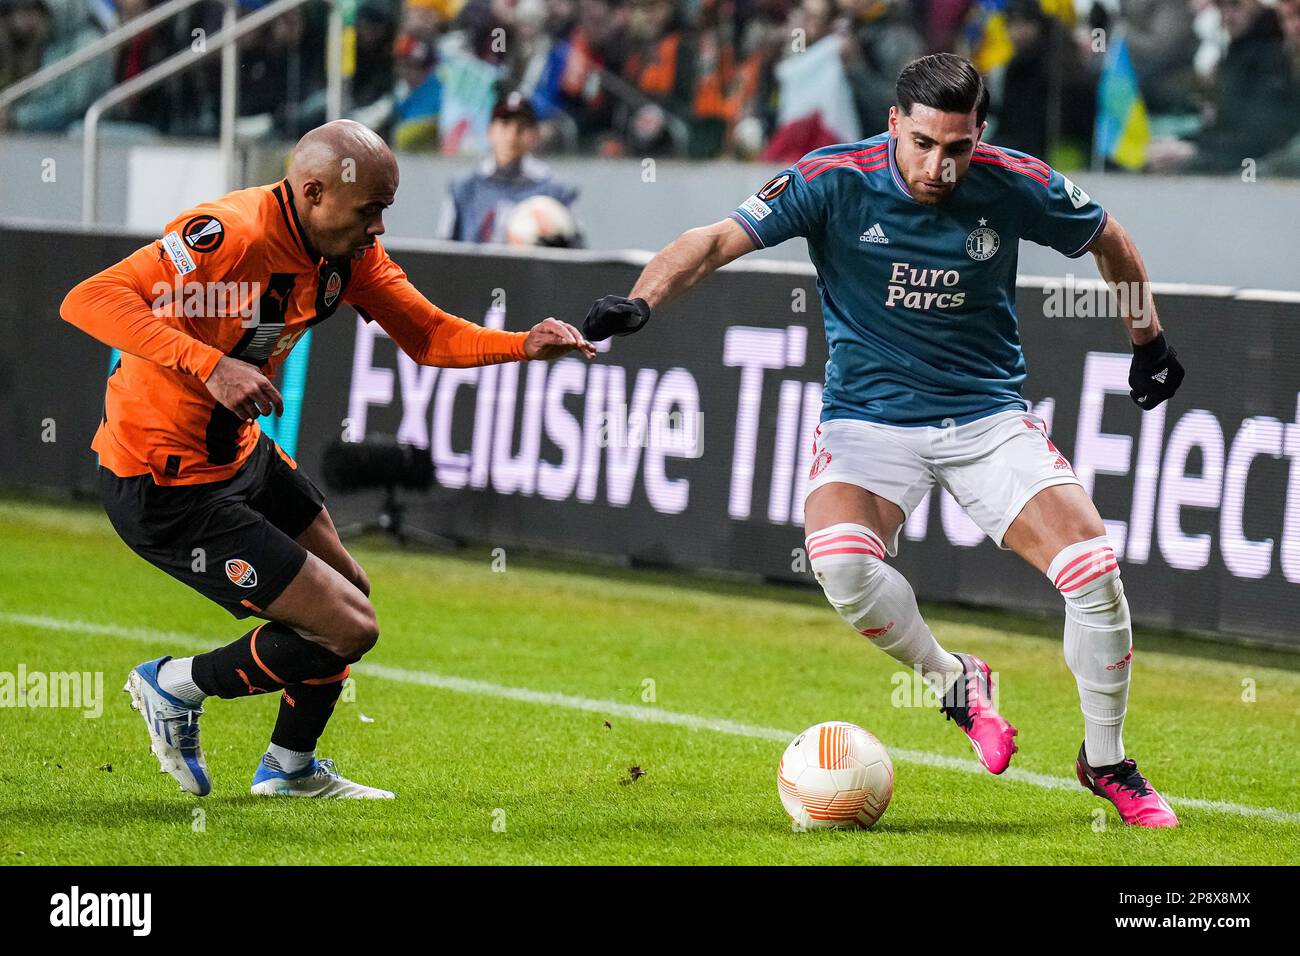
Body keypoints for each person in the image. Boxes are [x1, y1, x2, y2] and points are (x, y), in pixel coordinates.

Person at [581, 54, 1186, 828]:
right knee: (839, 562)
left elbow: (1111, 240)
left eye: (959, 147)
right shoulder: (832, 178)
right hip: (868, 420)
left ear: (980, 135)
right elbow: (712, 241)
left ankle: (1105, 761)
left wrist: (1149, 341)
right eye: (925, 143)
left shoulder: (1014, 182)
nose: (941, 166)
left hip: (987, 417)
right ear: (894, 123)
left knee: (1093, 568)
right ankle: (954, 683)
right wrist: (643, 302)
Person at [60, 120, 595, 800]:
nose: (378, 228)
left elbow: (427, 334)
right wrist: (210, 364)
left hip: (240, 457)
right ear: (314, 192)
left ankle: (287, 768)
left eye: (385, 211)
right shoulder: (228, 235)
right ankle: (173, 686)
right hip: (163, 481)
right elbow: (90, 297)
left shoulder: (346, 255)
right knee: (347, 626)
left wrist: (522, 345)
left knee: (350, 602)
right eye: (370, 209)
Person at [439, 90, 580, 243]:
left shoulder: (555, 191)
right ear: (490, 131)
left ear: (535, 135)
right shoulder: (464, 189)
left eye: (521, 127)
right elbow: (444, 249)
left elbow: (576, 248)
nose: (512, 135)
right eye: (505, 124)